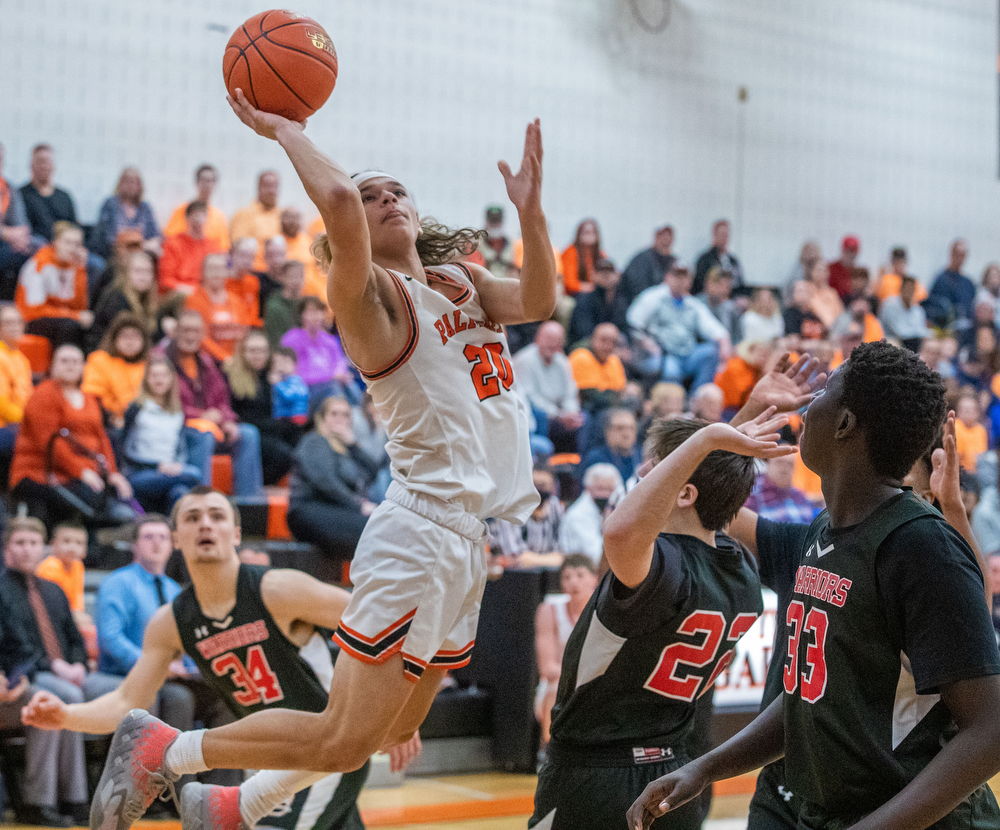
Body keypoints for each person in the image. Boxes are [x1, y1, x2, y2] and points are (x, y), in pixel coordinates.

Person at [87, 91, 556, 830]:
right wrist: (286, 129)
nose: (385, 198)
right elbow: (335, 195)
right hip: (422, 528)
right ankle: (168, 753)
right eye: (371, 198)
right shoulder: (367, 297)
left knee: (390, 731)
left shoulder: (462, 283)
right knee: (344, 734)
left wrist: (530, 210)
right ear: (350, 234)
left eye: (395, 190)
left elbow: (538, 297)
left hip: (473, 538)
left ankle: (236, 803)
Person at [629, 341, 1000, 830]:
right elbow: (808, 698)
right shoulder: (823, 531)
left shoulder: (921, 546)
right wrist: (705, 767)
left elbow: (990, 730)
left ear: (846, 424)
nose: (809, 405)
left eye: (824, 391)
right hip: (823, 811)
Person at [23, 489, 385, 830]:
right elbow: (126, 701)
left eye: (217, 516)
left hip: (326, 750)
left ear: (237, 534)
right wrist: (66, 715)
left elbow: (379, 626)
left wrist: (394, 708)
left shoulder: (280, 589)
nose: (206, 524)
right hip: (268, 756)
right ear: (177, 538)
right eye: (193, 517)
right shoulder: (171, 622)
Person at [531, 413, 789, 830]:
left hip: (596, 776)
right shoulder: (740, 569)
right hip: (673, 774)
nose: (645, 474)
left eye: (657, 466)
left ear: (684, 492)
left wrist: (707, 442)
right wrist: (718, 443)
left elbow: (619, 531)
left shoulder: (659, 566)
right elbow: (711, 498)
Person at [0, 517, 101, 827]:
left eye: (33, 543)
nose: (27, 550)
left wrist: (79, 665)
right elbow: (19, 647)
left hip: (65, 671)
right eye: (20, 543)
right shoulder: (2, 590)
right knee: (62, 699)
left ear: (43, 549)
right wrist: (53, 667)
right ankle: (52, 799)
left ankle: (87, 795)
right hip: (32, 673)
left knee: (123, 693)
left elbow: (73, 638)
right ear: (7, 549)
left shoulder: (55, 589)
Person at [93, 516, 198, 743]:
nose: (157, 543)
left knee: (209, 697)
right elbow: (110, 638)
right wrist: (152, 667)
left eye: (163, 537)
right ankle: (140, 777)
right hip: (122, 676)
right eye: (148, 537)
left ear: (172, 545)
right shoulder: (118, 582)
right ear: (135, 544)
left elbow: (184, 640)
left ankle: (186, 777)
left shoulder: (173, 590)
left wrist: (193, 667)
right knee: (159, 696)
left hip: (166, 678)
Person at [10, 345, 136, 530]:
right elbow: (50, 443)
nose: (70, 366)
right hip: (41, 472)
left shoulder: (89, 398)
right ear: (52, 366)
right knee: (88, 495)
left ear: (83, 367)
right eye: (64, 361)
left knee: (114, 489)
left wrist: (112, 473)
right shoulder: (43, 394)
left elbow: (101, 438)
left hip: (87, 471)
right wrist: (82, 471)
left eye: (75, 361)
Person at [161, 310, 265, 499]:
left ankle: (248, 505)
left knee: (248, 434)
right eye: (185, 330)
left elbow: (222, 399)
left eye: (195, 331)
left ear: (203, 335)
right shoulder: (163, 361)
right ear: (175, 332)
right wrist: (200, 416)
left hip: (212, 426)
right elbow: (163, 404)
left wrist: (226, 421)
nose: (190, 336)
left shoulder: (207, 362)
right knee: (205, 436)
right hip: (179, 430)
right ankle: (202, 500)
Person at [287, 395, 380, 561]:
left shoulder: (346, 448)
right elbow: (325, 482)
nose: (340, 419)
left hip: (336, 509)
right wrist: (358, 505)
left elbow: (373, 472)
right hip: (309, 510)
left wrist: (353, 446)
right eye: (334, 414)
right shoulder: (314, 441)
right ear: (322, 417)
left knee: (381, 525)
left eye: (345, 415)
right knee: (373, 529)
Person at [627, 264, 731, 391]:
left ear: (690, 281)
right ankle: (674, 405)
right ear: (668, 277)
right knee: (671, 370)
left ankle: (698, 398)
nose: (680, 281)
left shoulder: (693, 304)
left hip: (688, 353)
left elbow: (716, 330)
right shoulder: (653, 297)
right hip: (663, 353)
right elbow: (633, 322)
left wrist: (724, 345)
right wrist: (645, 342)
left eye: (684, 277)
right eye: (677, 276)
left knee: (710, 352)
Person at [120, 357, 203, 512]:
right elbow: (124, 452)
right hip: (141, 473)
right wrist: (156, 466)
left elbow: (180, 448)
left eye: (164, 375)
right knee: (195, 475)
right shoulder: (136, 408)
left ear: (171, 379)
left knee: (179, 492)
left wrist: (177, 465)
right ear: (146, 379)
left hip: (170, 473)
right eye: (155, 376)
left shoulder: (177, 411)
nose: (159, 380)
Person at [533, 554, 598, 747]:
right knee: (556, 687)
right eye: (567, 577)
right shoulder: (549, 610)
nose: (573, 582)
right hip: (562, 684)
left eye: (580, 575)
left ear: (595, 578)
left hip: (594, 684)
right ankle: (550, 751)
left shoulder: (603, 612)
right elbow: (548, 669)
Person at [225, 330, 301, 485]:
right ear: (243, 352)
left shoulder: (270, 377)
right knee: (284, 454)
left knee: (298, 436)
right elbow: (240, 415)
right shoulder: (231, 376)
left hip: (269, 430)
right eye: (252, 350)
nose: (257, 355)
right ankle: (256, 486)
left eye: (262, 351)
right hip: (248, 431)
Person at [15, 221, 92, 348]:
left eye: (77, 244)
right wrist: (75, 316)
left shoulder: (75, 266)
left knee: (92, 326)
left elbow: (80, 306)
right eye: (68, 243)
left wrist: (80, 271)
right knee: (69, 326)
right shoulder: (40, 264)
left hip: (62, 318)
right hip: (31, 320)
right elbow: (35, 311)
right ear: (56, 243)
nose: (73, 249)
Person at [514, 320, 585, 454]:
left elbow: (570, 393)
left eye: (557, 340)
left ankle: (575, 469)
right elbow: (531, 398)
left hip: (561, 414)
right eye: (549, 339)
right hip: (541, 415)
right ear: (537, 338)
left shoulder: (563, 361)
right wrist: (559, 415)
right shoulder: (524, 360)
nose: (552, 344)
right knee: (542, 417)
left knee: (585, 420)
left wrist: (571, 413)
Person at [281, 295, 358, 407]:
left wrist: (339, 375)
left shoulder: (330, 340)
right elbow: (292, 372)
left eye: (319, 311)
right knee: (334, 389)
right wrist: (330, 377)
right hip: (305, 391)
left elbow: (340, 365)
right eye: (311, 311)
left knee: (354, 389)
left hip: (332, 386)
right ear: (301, 315)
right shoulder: (292, 338)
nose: (315, 316)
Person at [81, 312, 150, 429]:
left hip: (143, 423)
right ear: (114, 339)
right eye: (125, 336)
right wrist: (112, 417)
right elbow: (92, 395)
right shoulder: (100, 360)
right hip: (108, 423)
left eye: (135, 336)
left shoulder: (150, 366)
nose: (130, 341)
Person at [488, 464, 564, 564]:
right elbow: (516, 556)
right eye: (535, 485)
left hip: (549, 574)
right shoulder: (511, 508)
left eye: (543, 486)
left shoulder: (556, 508)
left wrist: (532, 558)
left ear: (553, 488)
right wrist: (550, 559)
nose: (539, 491)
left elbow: (561, 554)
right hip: (517, 575)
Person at [185, 253, 255, 362]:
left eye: (220, 269)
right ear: (203, 272)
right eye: (212, 269)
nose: (216, 274)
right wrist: (225, 358)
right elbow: (200, 337)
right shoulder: (194, 301)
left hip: (236, 362)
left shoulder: (236, 301)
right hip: (207, 362)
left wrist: (238, 361)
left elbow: (245, 333)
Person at [88, 249, 160, 351]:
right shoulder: (117, 299)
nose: (143, 277)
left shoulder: (149, 302)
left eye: (148, 271)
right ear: (126, 273)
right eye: (138, 271)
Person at [560, 463, 623, 567]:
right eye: (600, 489)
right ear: (588, 488)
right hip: (581, 570)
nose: (605, 494)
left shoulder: (612, 508)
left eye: (609, 489)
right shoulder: (578, 515)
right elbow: (596, 554)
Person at [92, 167, 161, 260]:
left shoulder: (145, 208)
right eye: (127, 181)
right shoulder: (110, 204)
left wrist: (138, 242)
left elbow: (155, 235)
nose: (131, 185)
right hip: (114, 254)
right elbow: (107, 236)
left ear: (140, 186)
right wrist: (132, 240)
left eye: (135, 182)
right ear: (120, 184)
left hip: (141, 253)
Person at [159, 200, 224, 297]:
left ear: (207, 219)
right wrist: (193, 292)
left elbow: (219, 278)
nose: (198, 222)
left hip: (205, 296)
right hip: (179, 295)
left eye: (202, 217)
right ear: (186, 219)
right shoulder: (172, 244)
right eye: (195, 217)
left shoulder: (213, 247)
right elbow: (166, 281)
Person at [18, 145, 78, 247]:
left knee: (96, 262)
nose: (44, 166)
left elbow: (75, 228)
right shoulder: (20, 195)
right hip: (36, 248)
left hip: (66, 248)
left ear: (53, 165)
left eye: (47, 161)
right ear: (32, 165)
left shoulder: (64, 196)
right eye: (40, 161)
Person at [0, 304, 33, 480]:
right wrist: (30, 421)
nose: (15, 327)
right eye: (8, 323)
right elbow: (2, 406)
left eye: (18, 322)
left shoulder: (22, 360)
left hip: (17, 425)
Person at [164, 165, 230, 251]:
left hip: (209, 261)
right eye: (204, 180)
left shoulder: (219, 217)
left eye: (212, 181)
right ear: (197, 182)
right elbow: (170, 239)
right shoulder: (181, 211)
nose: (208, 185)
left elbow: (223, 247)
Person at [744, 448, 820, 524]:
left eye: (790, 464)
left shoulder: (800, 496)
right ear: (768, 465)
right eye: (779, 462)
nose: (785, 468)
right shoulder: (752, 492)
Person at [35, 522, 89, 625]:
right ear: (53, 544)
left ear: (85, 549)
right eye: (66, 541)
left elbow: (77, 603)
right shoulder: (50, 566)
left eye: (79, 543)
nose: (72, 547)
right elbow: (51, 606)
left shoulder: (78, 566)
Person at [569, 322, 627, 418]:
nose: (608, 346)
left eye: (613, 342)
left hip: (610, 410)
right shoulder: (581, 356)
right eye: (603, 340)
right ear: (593, 339)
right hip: (587, 411)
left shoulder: (614, 361)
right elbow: (587, 395)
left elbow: (621, 392)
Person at [568, 257, 629, 344]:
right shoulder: (584, 300)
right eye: (601, 272)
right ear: (593, 275)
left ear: (618, 276)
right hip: (587, 347)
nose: (606, 275)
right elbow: (582, 333)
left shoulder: (622, 302)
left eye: (610, 271)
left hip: (614, 348)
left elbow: (625, 330)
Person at [230, 170, 281, 272]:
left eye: (274, 186)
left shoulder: (282, 216)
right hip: (252, 272)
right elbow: (237, 246)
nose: (271, 191)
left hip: (277, 273)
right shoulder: (244, 214)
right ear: (258, 188)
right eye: (267, 186)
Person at [0, 142, 33, 295]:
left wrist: (18, 237)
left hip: (8, 245)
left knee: (38, 248)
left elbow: (22, 224)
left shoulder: (8, 188)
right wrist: (4, 232)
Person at [930, 239, 976, 345]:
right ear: (951, 254)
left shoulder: (969, 283)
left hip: (967, 333)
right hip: (947, 332)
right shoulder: (940, 280)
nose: (960, 258)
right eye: (957, 254)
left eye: (963, 255)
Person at [620, 226, 676, 307]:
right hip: (642, 304)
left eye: (669, 237)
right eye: (663, 236)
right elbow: (636, 287)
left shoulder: (674, 262)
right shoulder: (642, 260)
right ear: (656, 237)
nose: (666, 240)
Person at [581, 408, 642, 483]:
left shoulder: (643, 457)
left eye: (631, 428)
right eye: (620, 428)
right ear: (607, 432)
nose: (627, 434)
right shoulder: (595, 458)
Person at [879, 274, 929, 352]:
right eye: (907, 288)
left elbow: (922, 331)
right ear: (901, 288)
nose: (909, 291)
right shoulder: (890, 304)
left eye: (912, 288)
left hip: (914, 342)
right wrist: (916, 333)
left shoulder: (918, 310)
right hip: (893, 339)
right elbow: (899, 331)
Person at [693, 219, 743, 296]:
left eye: (726, 235)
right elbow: (700, 284)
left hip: (731, 299)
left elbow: (739, 283)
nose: (724, 238)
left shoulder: (733, 261)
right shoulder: (704, 259)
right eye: (722, 235)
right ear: (714, 235)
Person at [264, 259, 304, 346]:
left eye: (300, 276)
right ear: (283, 278)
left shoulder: (306, 304)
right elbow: (274, 339)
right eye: (292, 276)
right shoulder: (274, 306)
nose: (297, 281)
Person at [562, 219, 605, 295]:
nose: (589, 236)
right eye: (586, 233)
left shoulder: (601, 255)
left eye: (592, 233)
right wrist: (590, 288)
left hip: (594, 294)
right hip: (573, 294)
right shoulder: (570, 252)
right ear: (579, 234)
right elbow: (569, 282)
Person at [271, 347, 310, 427]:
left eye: (286, 362)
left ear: (295, 364)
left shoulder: (296, 380)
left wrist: (278, 384)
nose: (282, 366)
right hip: (282, 418)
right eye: (280, 362)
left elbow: (290, 396)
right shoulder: (283, 380)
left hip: (297, 419)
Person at [826, 235, 860, 300]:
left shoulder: (859, 272)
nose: (850, 254)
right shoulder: (831, 268)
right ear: (843, 251)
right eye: (847, 251)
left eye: (853, 251)